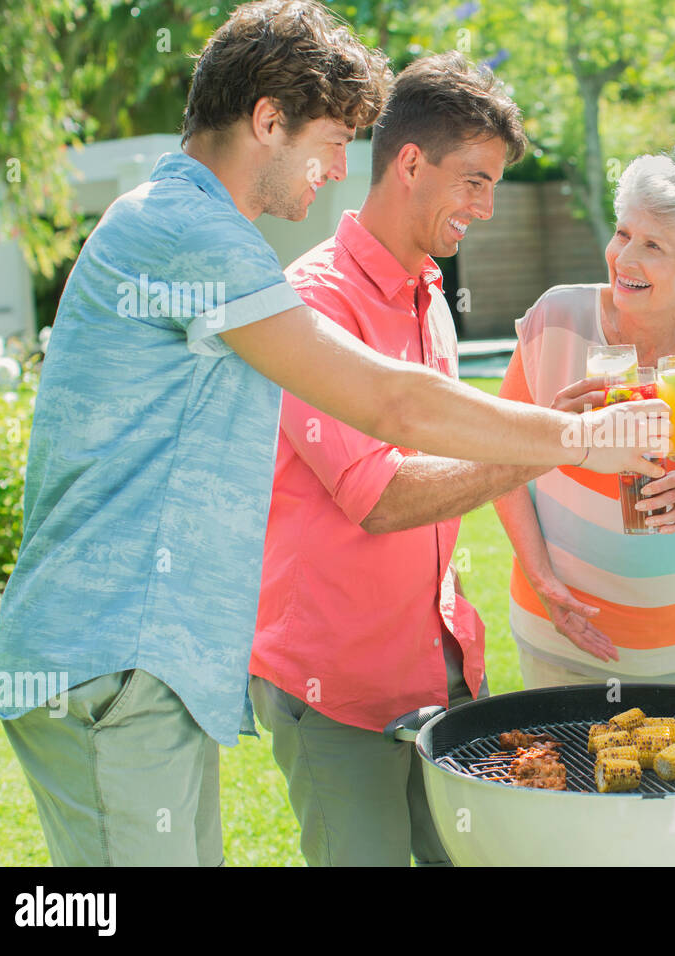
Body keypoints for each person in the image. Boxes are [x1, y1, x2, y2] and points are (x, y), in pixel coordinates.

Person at [0, 0, 665, 867]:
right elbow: (390, 406)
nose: (343, 168)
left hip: (143, 667)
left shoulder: (196, 229)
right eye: (332, 140)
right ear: (267, 120)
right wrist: (578, 441)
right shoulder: (187, 231)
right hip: (113, 656)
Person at [248, 52, 545, 867]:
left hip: (441, 665)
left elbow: (444, 449)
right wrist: (548, 445)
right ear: (410, 162)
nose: (484, 208)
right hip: (336, 685)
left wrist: (541, 431)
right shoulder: (314, 306)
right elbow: (378, 497)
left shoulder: (428, 292)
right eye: (474, 181)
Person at [495, 146, 675, 689]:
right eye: (623, 233)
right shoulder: (556, 317)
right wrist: (544, 582)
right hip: (560, 629)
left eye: (653, 245)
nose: (623, 257)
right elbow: (501, 458)